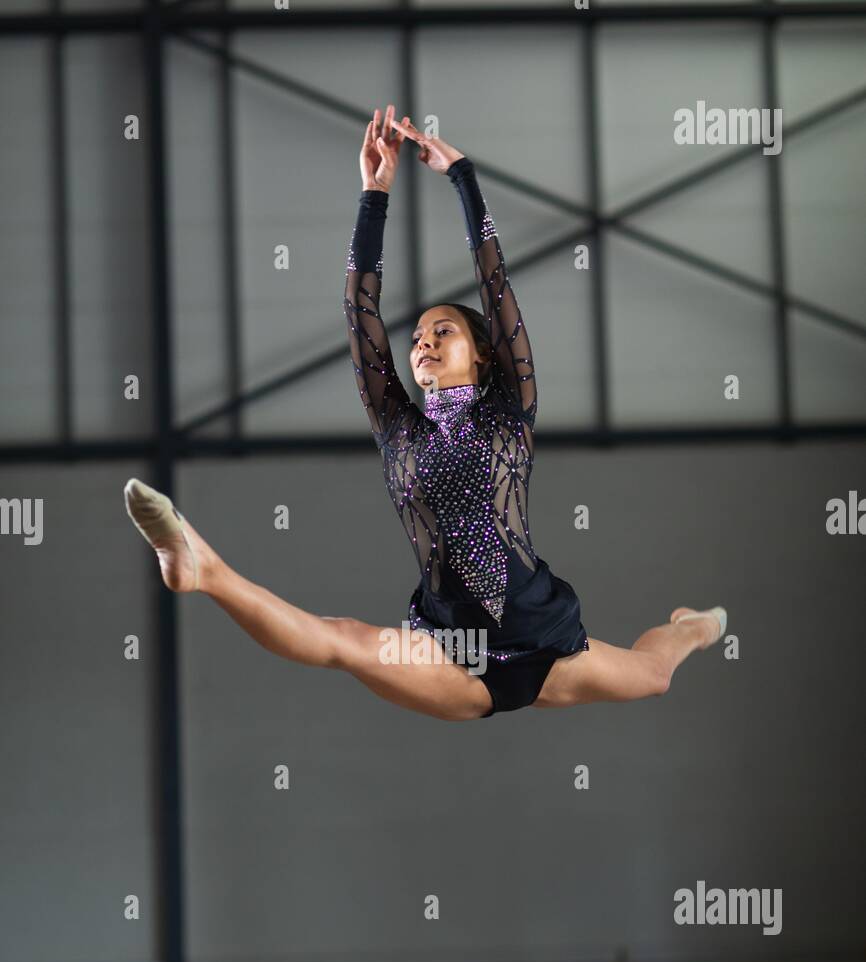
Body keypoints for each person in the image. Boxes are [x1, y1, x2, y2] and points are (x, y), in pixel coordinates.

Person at [123, 105, 725, 722]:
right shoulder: (399, 429)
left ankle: (695, 626)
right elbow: (360, 311)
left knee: (655, 675)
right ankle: (205, 571)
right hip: (453, 654)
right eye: (415, 339)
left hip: (545, 641)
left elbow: (496, 285)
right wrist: (374, 196)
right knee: (342, 640)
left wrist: (463, 176)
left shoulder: (510, 410)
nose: (423, 344)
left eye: (443, 331)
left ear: (483, 353)